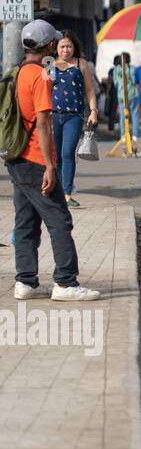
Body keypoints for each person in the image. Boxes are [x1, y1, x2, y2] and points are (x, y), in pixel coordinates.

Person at [9, 20, 99, 302]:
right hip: (36, 159)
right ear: (49, 46)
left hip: (16, 158)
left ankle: (25, 281)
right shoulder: (41, 76)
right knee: (60, 220)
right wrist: (50, 166)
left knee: (25, 220)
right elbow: (44, 122)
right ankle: (65, 282)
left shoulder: (17, 72)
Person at [50, 32, 98, 208]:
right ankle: (56, 192)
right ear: (56, 47)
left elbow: (90, 90)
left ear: (74, 47)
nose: (65, 50)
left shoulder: (81, 64)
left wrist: (93, 111)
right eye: (62, 46)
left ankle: (67, 195)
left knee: (68, 153)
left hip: (74, 116)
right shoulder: (49, 64)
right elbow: (41, 90)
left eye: (68, 46)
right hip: (52, 116)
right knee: (56, 157)